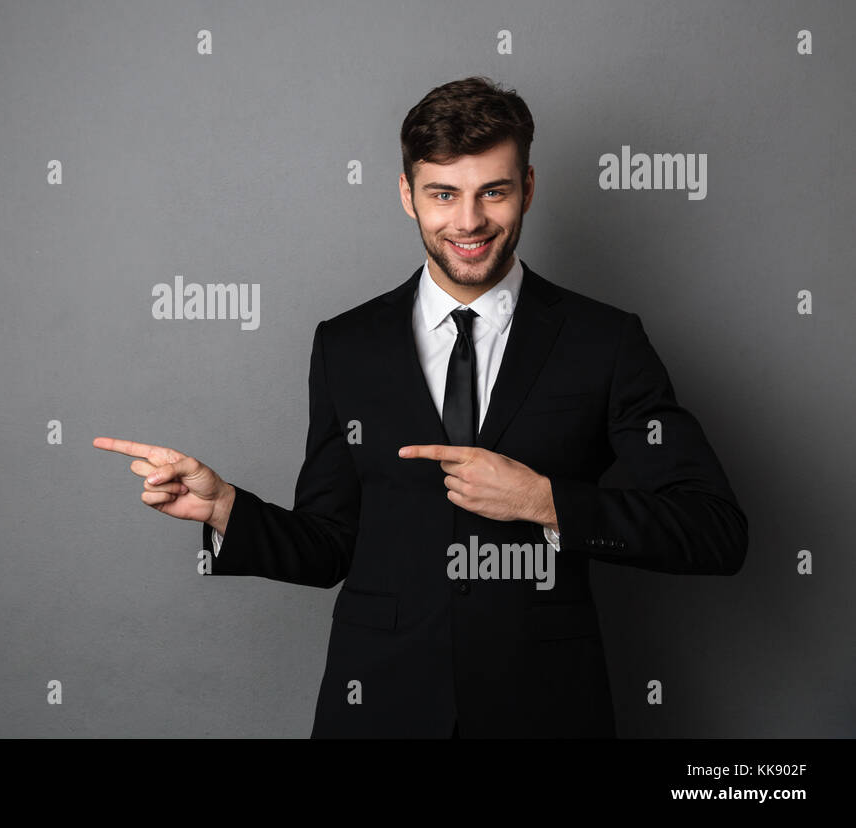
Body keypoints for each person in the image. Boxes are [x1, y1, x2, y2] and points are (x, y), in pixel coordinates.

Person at [93, 76, 747, 738]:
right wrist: (226, 509)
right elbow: (331, 545)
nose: (469, 221)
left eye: (493, 191)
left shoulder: (604, 341)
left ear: (528, 187)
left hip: (546, 709)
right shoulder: (346, 345)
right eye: (444, 194)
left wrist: (546, 501)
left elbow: (716, 531)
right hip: (379, 706)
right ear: (408, 195)